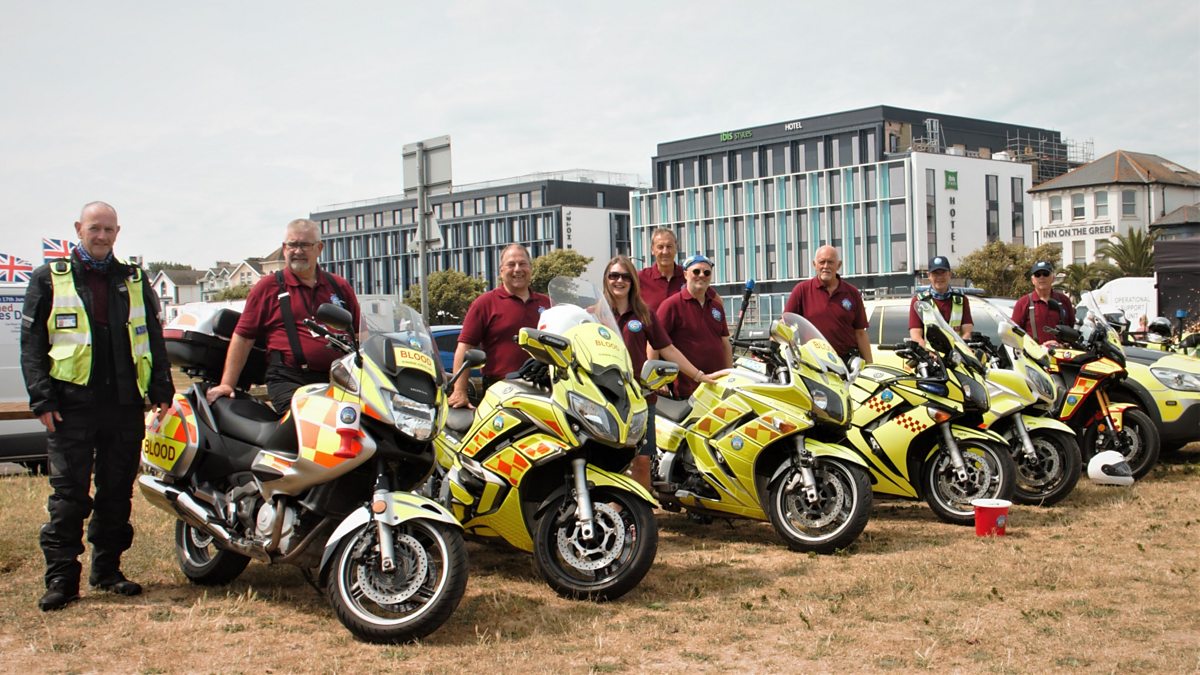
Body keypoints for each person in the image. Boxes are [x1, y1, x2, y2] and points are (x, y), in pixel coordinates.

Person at [20, 201, 173, 611]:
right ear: (78, 229)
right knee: (69, 497)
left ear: (118, 232)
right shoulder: (50, 279)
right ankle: (61, 581)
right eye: (94, 228)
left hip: (124, 405)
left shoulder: (135, 281)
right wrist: (42, 399)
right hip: (71, 407)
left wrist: (162, 391)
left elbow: (153, 340)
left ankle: (107, 572)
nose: (101, 236)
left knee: (115, 494)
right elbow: (32, 346)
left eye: (108, 229)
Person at [206, 219, 360, 413]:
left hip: (342, 379)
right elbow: (244, 337)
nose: (297, 251)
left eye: (304, 245)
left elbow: (361, 333)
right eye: (292, 245)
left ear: (319, 248)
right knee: (312, 423)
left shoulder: (339, 286)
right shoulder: (268, 287)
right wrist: (227, 384)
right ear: (284, 248)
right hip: (291, 378)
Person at [603, 256, 714, 489]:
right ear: (606, 279)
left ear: (632, 281)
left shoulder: (644, 313)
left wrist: (698, 376)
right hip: (603, 396)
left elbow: (668, 348)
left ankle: (642, 517)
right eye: (614, 275)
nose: (619, 281)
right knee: (607, 460)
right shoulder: (595, 313)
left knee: (642, 459)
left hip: (640, 398)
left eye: (624, 276)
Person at [449, 244, 551, 408]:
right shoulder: (484, 303)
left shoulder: (547, 304)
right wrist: (459, 391)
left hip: (544, 389)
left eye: (522, 264)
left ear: (531, 268)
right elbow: (464, 347)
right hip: (500, 390)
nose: (517, 269)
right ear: (501, 270)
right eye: (511, 264)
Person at [656, 253, 732, 399]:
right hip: (688, 389)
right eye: (696, 271)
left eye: (706, 272)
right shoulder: (671, 305)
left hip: (717, 386)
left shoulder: (716, 306)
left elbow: (725, 344)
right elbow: (655, 344)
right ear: (685, 274)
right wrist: (658, 380)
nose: (701, 275)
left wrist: (729, 374)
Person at [784, 245, 872, 365]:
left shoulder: (852, 293)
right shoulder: (802, 290)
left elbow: (860, 333)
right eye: (822, 262)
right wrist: (770, 347)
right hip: (814, 363)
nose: (826, 266)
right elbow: (785, 324)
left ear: (838, 265)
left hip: (846, 363)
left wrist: (870, 365)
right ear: (814, 265)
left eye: (830, 262)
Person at [909, 255, 974, 344]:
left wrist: (960, 352)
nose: (939, 277)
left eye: (943, 272)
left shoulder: (962, 300)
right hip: (930, 356)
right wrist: (929, 354)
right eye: (935, 273)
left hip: (957, 356)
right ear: (929, 276)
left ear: (949, 274)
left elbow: (967, 332)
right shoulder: (919, 302)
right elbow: (916, 336)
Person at [1012, 260, 1075, 346]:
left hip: (1061, 355)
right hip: (1034, 357)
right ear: (1033, 280)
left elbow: (1071, 331)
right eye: (1037, 275)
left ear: (1052, 278)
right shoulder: (1023, 303)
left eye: (1045, 273)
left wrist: (1062, 345)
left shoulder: (1064, 301)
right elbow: (1014, 333)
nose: (1042, 277)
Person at [638, 228, 686, 313]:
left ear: (676, 248)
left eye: (669, 246)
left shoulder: (689, 276)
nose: (665, 251)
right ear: (652, 250)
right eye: (660, 247)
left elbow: (713, 300)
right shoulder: (640, 278)